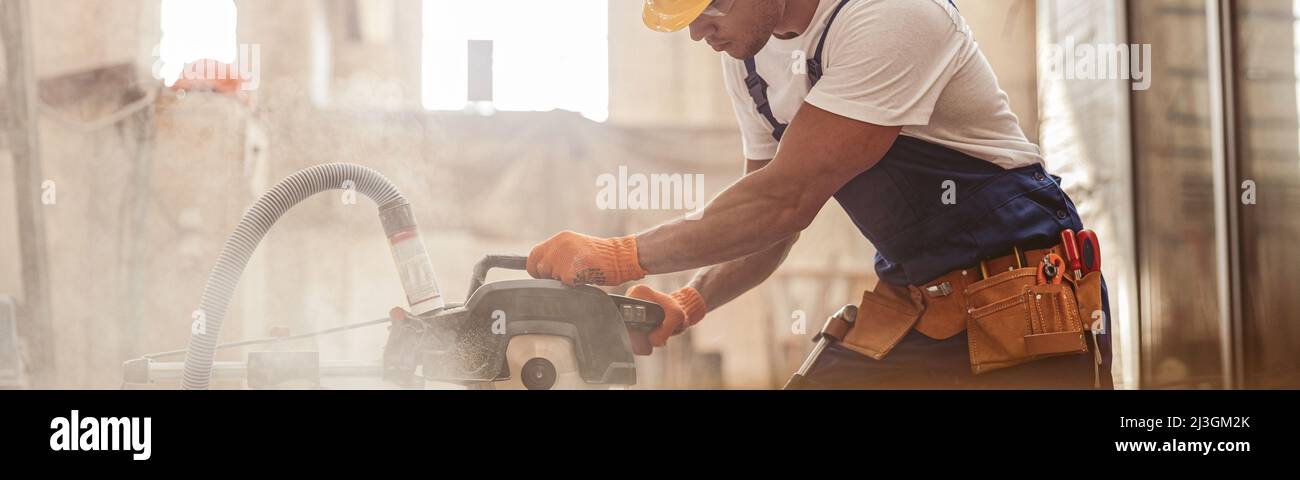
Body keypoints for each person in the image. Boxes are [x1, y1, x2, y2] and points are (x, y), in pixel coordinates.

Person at [526, 0, 1113, 389]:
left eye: (710, 6)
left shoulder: (894, 15)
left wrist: (620, 255)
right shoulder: (749, 58)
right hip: (916, 303)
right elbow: (765, 217)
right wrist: (688, 304)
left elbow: (785, 199)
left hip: (1023, 298)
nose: (698, 31)